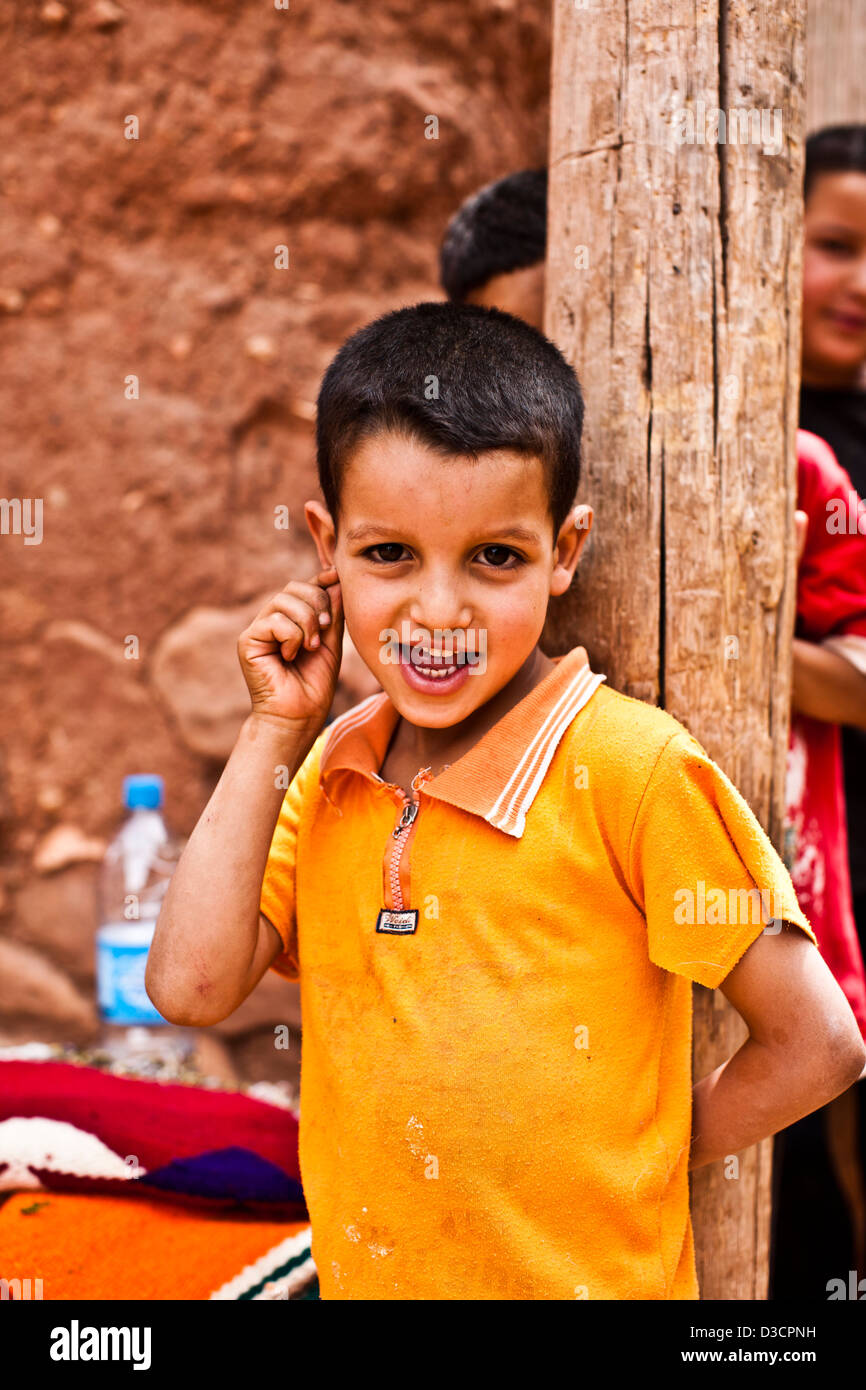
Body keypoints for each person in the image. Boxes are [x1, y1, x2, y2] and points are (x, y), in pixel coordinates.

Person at [147, 301, 864, 1300]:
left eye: (494, 557)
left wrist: (634, 1148)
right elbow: (189, 987)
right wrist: (274, 725)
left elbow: (817, 1042)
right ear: (327, 546)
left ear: (562, 552)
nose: (438, 612)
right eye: (388, 554)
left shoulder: (633, 770)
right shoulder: (328, 773)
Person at [441, 165, 866, 1292]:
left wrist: (738, 614)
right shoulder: (455, 498)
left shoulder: (783, 465)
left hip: (754, 886)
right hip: (551, 897)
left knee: (790, 1195)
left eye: (561, 339)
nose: (535, 381)